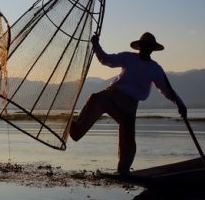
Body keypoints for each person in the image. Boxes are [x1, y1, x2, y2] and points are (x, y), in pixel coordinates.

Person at [69, 32, 186, 175]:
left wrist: (180, 104)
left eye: (149, 46)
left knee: (129, 145)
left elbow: (167, 90)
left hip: (129, 107)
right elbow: (107, 59)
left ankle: (123, 172)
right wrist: (96, 45)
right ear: (140, 46)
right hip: (111, 96)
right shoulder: (129, 58)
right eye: (144, 45)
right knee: (94, 100)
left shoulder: (155, 68)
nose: (146, 48)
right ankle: (73, 128)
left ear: (152, 49)